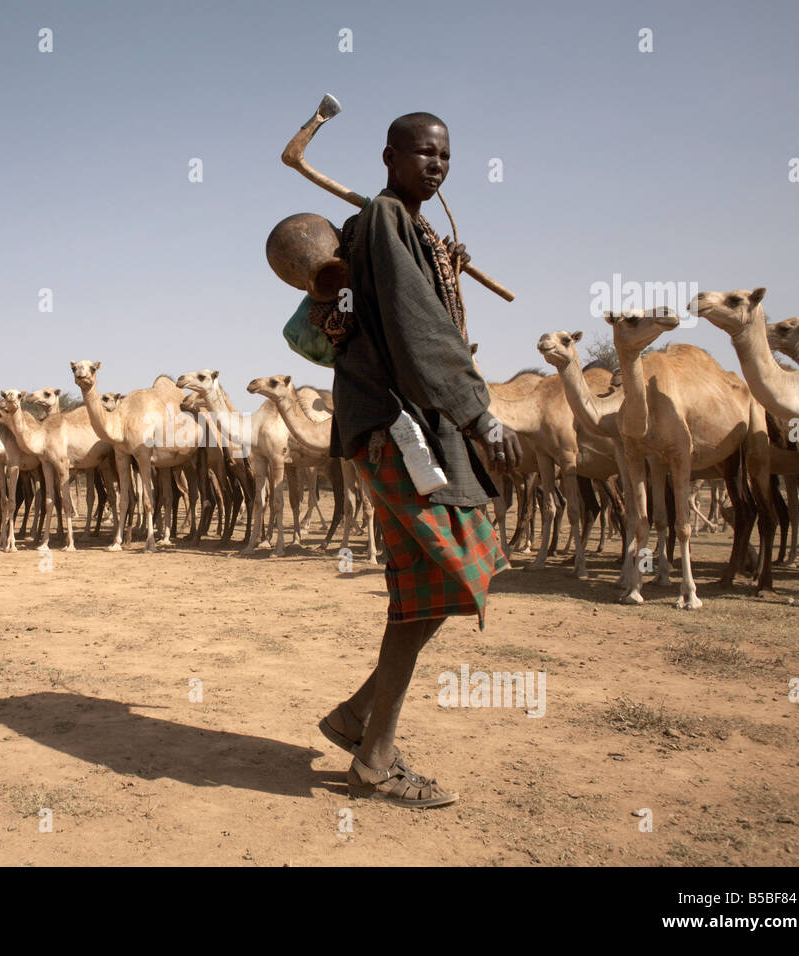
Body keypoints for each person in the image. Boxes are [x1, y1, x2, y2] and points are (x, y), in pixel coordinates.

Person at [323, 111, 522, 808]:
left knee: (440, 580)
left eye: (444, 155)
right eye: (422, 153)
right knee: (447, 569)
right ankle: (373, 759)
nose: (436, 165)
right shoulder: (383, 217)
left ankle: (359, 721)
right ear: (390, 156)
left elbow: (422, 312)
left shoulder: (408, 229)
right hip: (394, 423)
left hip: (415, 423)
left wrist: (445, 265)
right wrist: (477, 409)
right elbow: (417, 325)